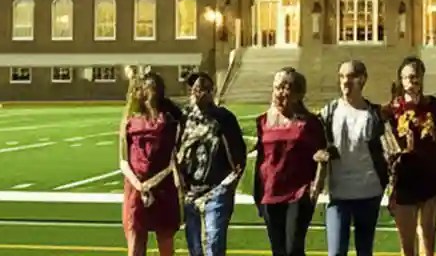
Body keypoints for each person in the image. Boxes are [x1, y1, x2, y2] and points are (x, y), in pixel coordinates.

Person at [254, 67, 329, 256]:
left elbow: (322, 154)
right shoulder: (263, 121)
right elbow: (262, 158)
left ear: (298, 93)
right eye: (276, 88)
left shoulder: (310, 123)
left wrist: (317, 185)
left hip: (299, 193)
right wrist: (258, 193)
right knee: (278, 251)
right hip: (270, 192)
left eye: (284, 88)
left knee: (293, 249)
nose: (279, 94)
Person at [318, 60, 388, 256]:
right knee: (336, 252)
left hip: (368, 193)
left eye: (351, 76)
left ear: (363, 79)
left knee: (364, 251)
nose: (345, 82)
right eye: (341, 76)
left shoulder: (374, 114)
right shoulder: (329, 112)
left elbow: (388, 151)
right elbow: (312, 137)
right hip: (338, 194)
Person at [176, 72, 246, 256]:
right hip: (190, 191)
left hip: (216, 189)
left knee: (214, 244)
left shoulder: (224, 118)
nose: (197, 93)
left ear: (211, 92)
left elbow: (238, 152)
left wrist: (230, 183)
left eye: (202, 89)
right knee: (195, 246)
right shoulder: (184, 117)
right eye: (195, 89)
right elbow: (175, 149)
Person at [383, 56, 436, 256]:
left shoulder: (434, 106)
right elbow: (386, 146)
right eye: (408, 77)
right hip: (404, 182)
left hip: (430, 181)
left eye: (417, 76)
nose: (413, 81)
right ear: (401, 80)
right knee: (407, 248)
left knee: (428, 244)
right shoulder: (392, 110)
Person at [119, 71, 183, 256]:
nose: (152, 93)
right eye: (149, 88)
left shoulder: (171, 120)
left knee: (165, 241)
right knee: (135, 243)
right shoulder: (130, 121)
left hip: (163, 187)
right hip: (135, 189)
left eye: (156, 88)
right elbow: (123, 161)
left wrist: (160, 182)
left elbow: (175, 157)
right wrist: (139, 185)